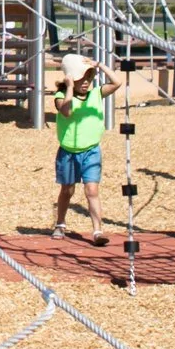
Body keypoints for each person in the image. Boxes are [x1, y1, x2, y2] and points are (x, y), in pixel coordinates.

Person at [50, 56, 109, 243]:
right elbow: (66, 111)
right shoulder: (61, 96)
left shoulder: (96, 94)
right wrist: (68, 87)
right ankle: (60, 223)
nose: (86, 83)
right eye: (81, 79)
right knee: (67, 190)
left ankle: (97, 231)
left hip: (91, 151)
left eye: (89, 79)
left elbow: (117, 82)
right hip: (68, 151)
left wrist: (99, 65)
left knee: (92, 190)